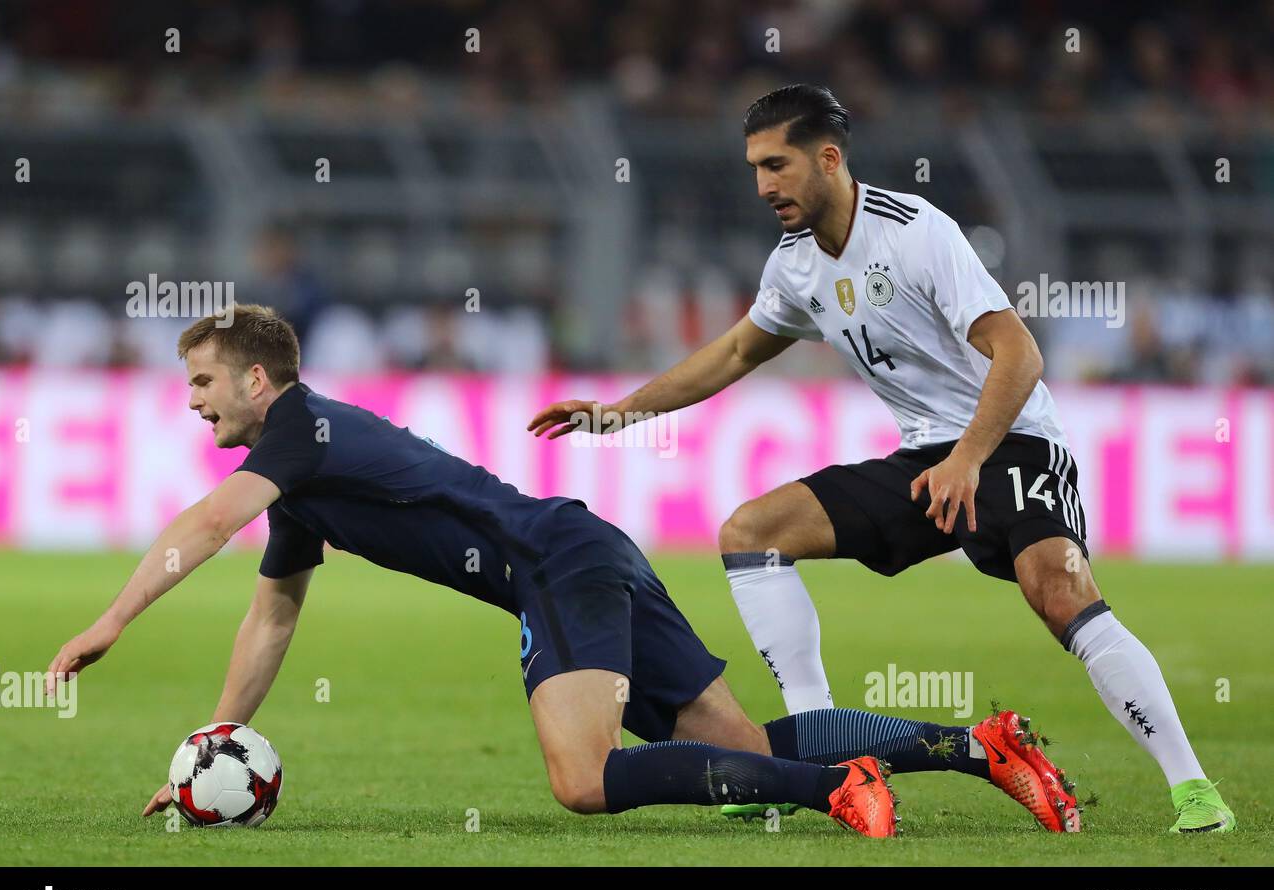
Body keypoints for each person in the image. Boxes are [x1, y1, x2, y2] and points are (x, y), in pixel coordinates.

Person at [46, 304, 1077, 838]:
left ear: (258, 379)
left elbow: (209, 521)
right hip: (585, 545)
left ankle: (832, 789)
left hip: (551, 564)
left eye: (204, 381)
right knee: (738, 741)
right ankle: (977, 747)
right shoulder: (301, 468)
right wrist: (215, 742)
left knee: (581, 782)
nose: (193, 401)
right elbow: (271, 614)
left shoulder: (303, 430)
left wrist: (113, 618)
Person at [528, 84, 1232, 835]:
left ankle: (1193, 790)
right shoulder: (796, 263)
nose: (764, 185)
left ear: (828, 159)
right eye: (755, 168)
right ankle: (818, 740)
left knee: (1057, 590)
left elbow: (1019, 352)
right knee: (753, 531)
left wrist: (969, 457)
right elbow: (735, 351)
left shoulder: (916, 230)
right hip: (926, 460)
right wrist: (621, 412)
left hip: (1010, 441)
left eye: (778, 165)